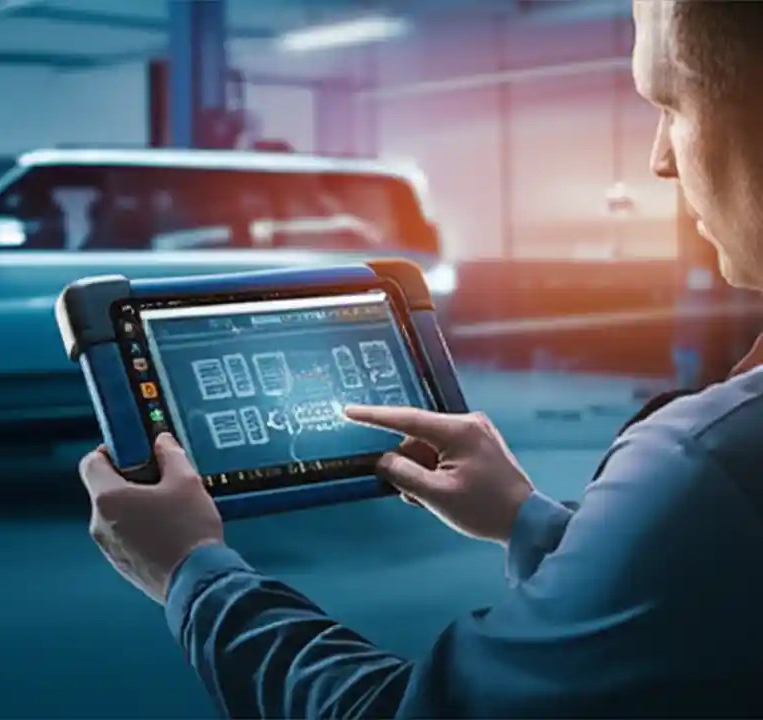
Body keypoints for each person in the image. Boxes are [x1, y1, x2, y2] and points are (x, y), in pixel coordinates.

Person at [78, 2, 763, 717]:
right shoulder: (713, 486)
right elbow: (706, 595)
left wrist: (193, 572)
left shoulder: (704, 463)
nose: (659, 158)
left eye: (671, 103)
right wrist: (525, 519)